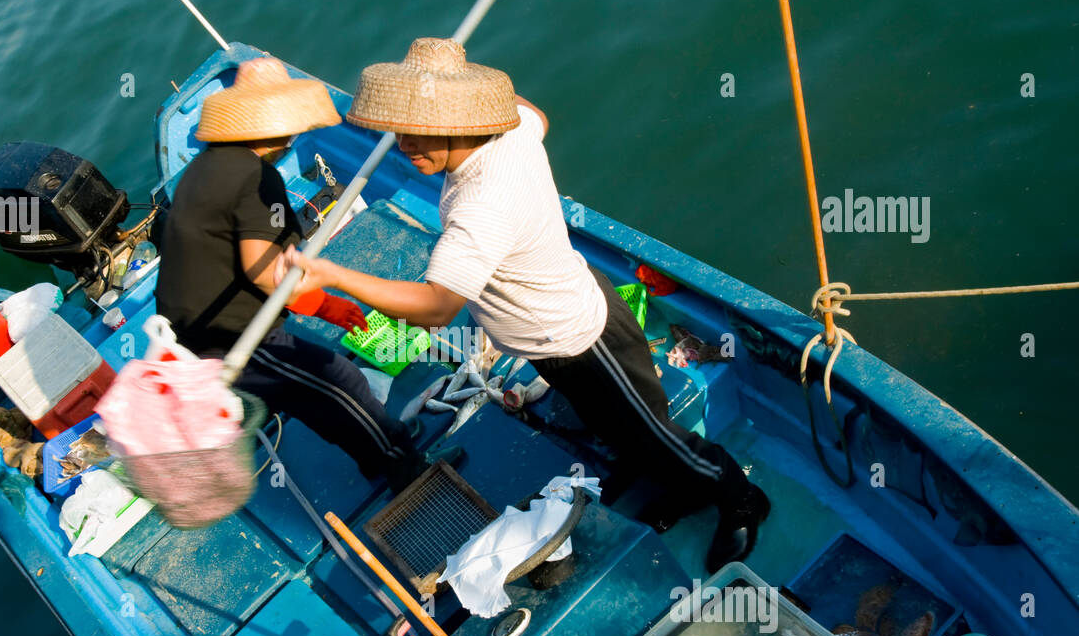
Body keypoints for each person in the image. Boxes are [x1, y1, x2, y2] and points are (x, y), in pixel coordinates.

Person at [277, 38, 770, 571]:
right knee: (620, 429)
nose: (403, 144)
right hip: (552, 330)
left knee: (651, 433)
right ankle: (676, 479)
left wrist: (330, 273)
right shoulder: (511, 130)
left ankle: (739, 499)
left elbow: (439, 307)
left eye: (418, 131)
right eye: (400, 129)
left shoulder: (479, 205)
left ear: (458, 122)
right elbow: (534, 113)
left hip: (578, 337)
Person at [155, 57, 439, 491]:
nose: (297, 133)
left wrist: (325, 307)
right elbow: (268, 276)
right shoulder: (257, 178)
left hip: (186, 317)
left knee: (311, 389)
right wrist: (328, 291)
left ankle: (375, 445)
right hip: (224, 334)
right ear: (271, 126)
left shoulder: (207, 165)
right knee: (337, 382)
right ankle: (399, 463)